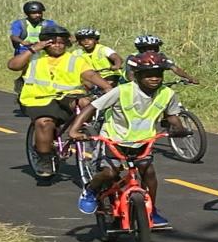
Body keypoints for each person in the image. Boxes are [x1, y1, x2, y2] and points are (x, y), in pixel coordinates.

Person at [65, 51, 182, 230]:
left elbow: (172, 115)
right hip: (114, 139)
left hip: (143, 141)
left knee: (148, 173)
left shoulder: (167, 93)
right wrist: (74, 130)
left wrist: (179, 128)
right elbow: (92, 106)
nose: (154, 78)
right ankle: (90, 191)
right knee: (110, 173)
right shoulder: (122, 91)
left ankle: (152, 210)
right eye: (148, 75)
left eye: (158, 74)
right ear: (137, 75)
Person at [7, 23, 90, 178]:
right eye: (52, 41)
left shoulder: (74, 59)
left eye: (61, 42)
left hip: (66, 97)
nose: (57, 45)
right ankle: (44, 158)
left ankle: (80, 130)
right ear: (45, 42)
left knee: (87, 103)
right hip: (38, 100)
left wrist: (106, 88)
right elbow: (13, 65)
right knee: (45, 123)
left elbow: (90, 76)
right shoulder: (34, 57)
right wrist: (34, 49)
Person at [124, 34, 198, 85]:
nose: (153, 51)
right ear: (141, 49)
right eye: (149, 48)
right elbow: (130, 75)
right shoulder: (133, 58)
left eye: (155, 48)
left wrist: (190, 78)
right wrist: (136, 85)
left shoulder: (160, 57)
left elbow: (174, 68)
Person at [70, 27, 124, 92]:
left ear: (95, 40)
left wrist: (116, 66)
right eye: (82, 39)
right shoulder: (77, 53)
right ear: (79, 42)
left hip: (109, 75)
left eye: (90, 39)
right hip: (92, 78)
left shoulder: (102, 49)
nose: (86, 41)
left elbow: (117, 58)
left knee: (107, 88)